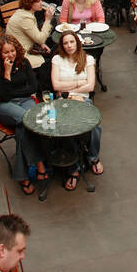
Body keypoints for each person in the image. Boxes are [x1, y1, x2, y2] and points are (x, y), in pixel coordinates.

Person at [0, 35, 49, 194]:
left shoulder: (24, 62)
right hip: (5, 107)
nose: (10, 55)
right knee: (27, 120)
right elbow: (4, 96)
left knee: (26, 126)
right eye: (5, 52)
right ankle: (40, 163)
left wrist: (11, 92)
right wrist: (7, 74)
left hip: (24, 100)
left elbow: (33, 88)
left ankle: (22, 175)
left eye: (12, 51)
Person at [50, 31, 103, 183]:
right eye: (66, 43)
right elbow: (55, 85)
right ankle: (73, 167)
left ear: (77, 43)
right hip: (64, 101)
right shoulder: (57, 59)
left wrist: (68, 89)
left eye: (72, 42)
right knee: (67, 128)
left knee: (95, 126)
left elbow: (91, 86)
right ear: (62, 45)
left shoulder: (88, 59)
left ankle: (93, 157)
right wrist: (78, 85)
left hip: (83, 100)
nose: (69, 46)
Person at [5, 0, 58, 87]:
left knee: (54, 50)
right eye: (38, 2)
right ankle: (44, 87)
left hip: (25, 48)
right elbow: (40, 38)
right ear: (30, 4)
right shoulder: (25, 18)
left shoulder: (24, 13)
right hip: (21, 56)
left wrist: (41, 44)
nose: (41, 4)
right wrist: (47, 20)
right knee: (51, 61)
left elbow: (34, 36)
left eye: (41, 0)